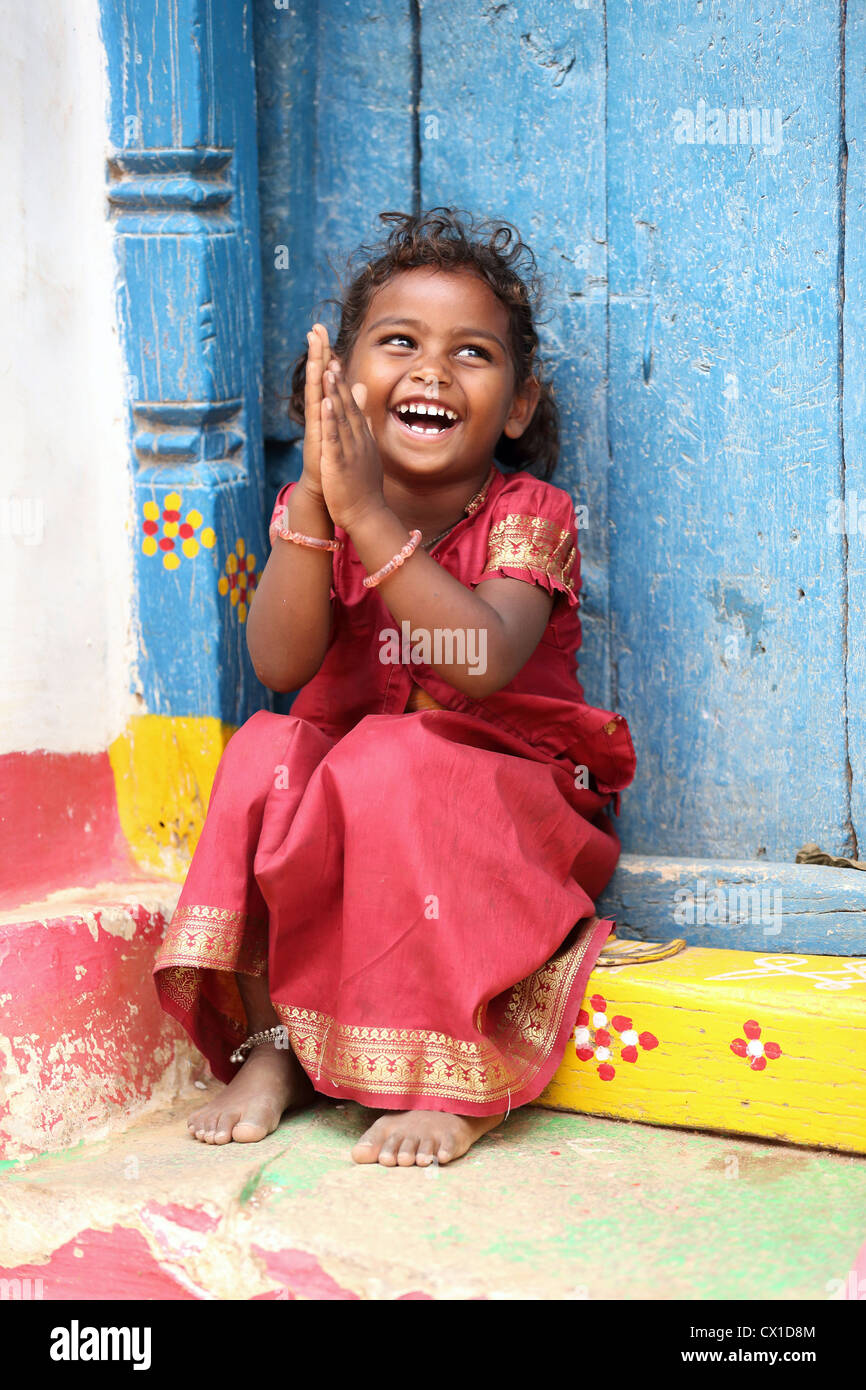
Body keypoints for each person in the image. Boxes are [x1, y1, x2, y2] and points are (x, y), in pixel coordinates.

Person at [153, 207, 636, 1167]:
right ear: (335, 387)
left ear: (521, 404)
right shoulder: (315, 511)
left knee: (397, 756)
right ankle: (276, 1043)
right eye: (400, 343)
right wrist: (319, 503)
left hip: (508, 809)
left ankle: (454, 1074)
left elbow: (483, 659)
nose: (432, 371)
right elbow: (281, 668)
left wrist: (371, 514)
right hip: (354, 801)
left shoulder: (526, 515)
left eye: (472, 354)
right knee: (265, 749)